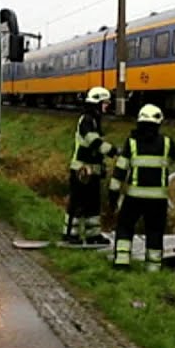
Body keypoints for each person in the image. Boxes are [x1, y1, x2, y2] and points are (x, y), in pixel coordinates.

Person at [109, 104, 175, 271]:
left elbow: (120, 170)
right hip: (158, 200)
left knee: (125, 227)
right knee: (155, 232)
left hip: (134, 197)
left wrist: (112, 196)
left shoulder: (132, 142)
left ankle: (121, 262)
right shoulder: (166, 143)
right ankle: (153, 267)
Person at [64, 86, 116, 246]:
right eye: (105, 102)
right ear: (98, 102)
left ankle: (93, 235)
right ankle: (70, 235)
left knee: (93, 205)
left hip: (91, 171)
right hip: (81, 171)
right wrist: (114, 151)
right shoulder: (87, 120)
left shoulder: (94, 119)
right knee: (77, 203)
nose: (107, 106)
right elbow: (93, 142)